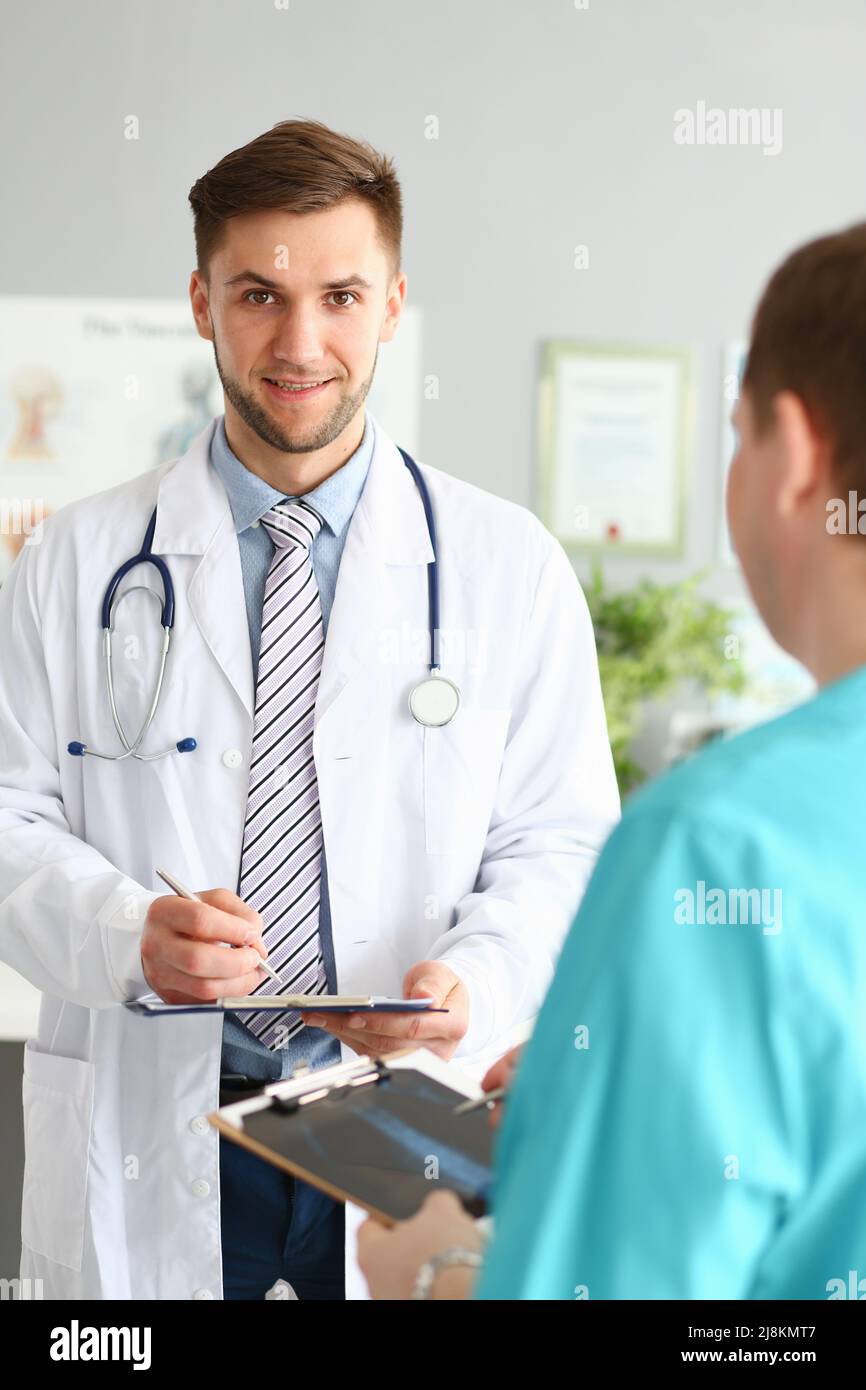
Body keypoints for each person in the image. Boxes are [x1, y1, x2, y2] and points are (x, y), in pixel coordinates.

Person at [0, 118, 619, 1300]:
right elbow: (5, 820)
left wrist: (468, 984)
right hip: (159, 1119)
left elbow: (561, 841)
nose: (299, 341)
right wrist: (128, 933)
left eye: (339, 295)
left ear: (391, 304)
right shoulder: (74, 561)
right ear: (200, 302)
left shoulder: (508, 564)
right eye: (257, 294)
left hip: (401, 1122)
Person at [358, 222, 866, 1300]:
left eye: (734, 431)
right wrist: (612, 1100)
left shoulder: (723, 842)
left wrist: (432, 1267)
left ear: (793, 449)